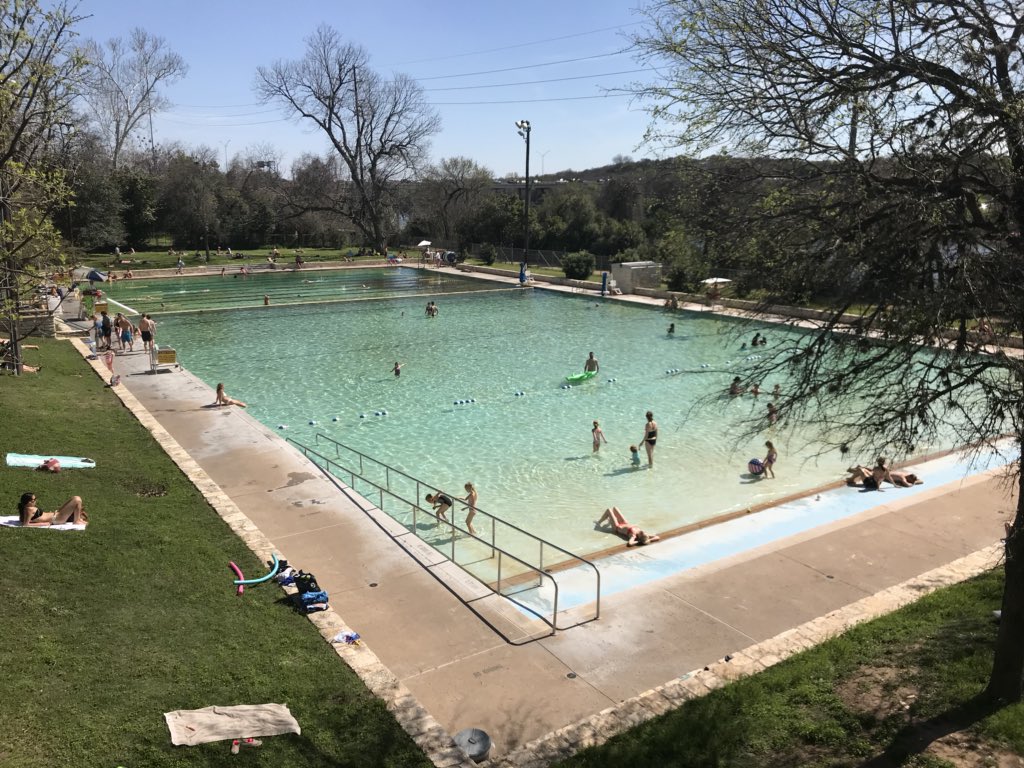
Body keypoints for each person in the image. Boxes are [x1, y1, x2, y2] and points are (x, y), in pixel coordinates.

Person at [596, 507, 660, 547]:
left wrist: (639, 542)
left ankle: (599, 522)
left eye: (642, 533)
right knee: (615, 508)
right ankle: (609, 521)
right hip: (624, 523)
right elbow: (657, 537)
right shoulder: (646, 536)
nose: (643, 532)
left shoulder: (633, 536)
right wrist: (649, 540)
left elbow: (630, 543)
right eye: (645, 532)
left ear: (640, 537)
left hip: (617, 527)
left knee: (609, 510)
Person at [17, 492, 87, 527]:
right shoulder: (29, 509)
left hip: (56, 515)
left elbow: (22, 519)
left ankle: (77, 518)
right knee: (77, 499)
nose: (35, 501)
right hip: (56, 519)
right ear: (29, 502)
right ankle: (76, 520)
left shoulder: (27, 509)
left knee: (75, 498)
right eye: (34, 499)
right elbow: (25, 525)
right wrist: (43, 524)